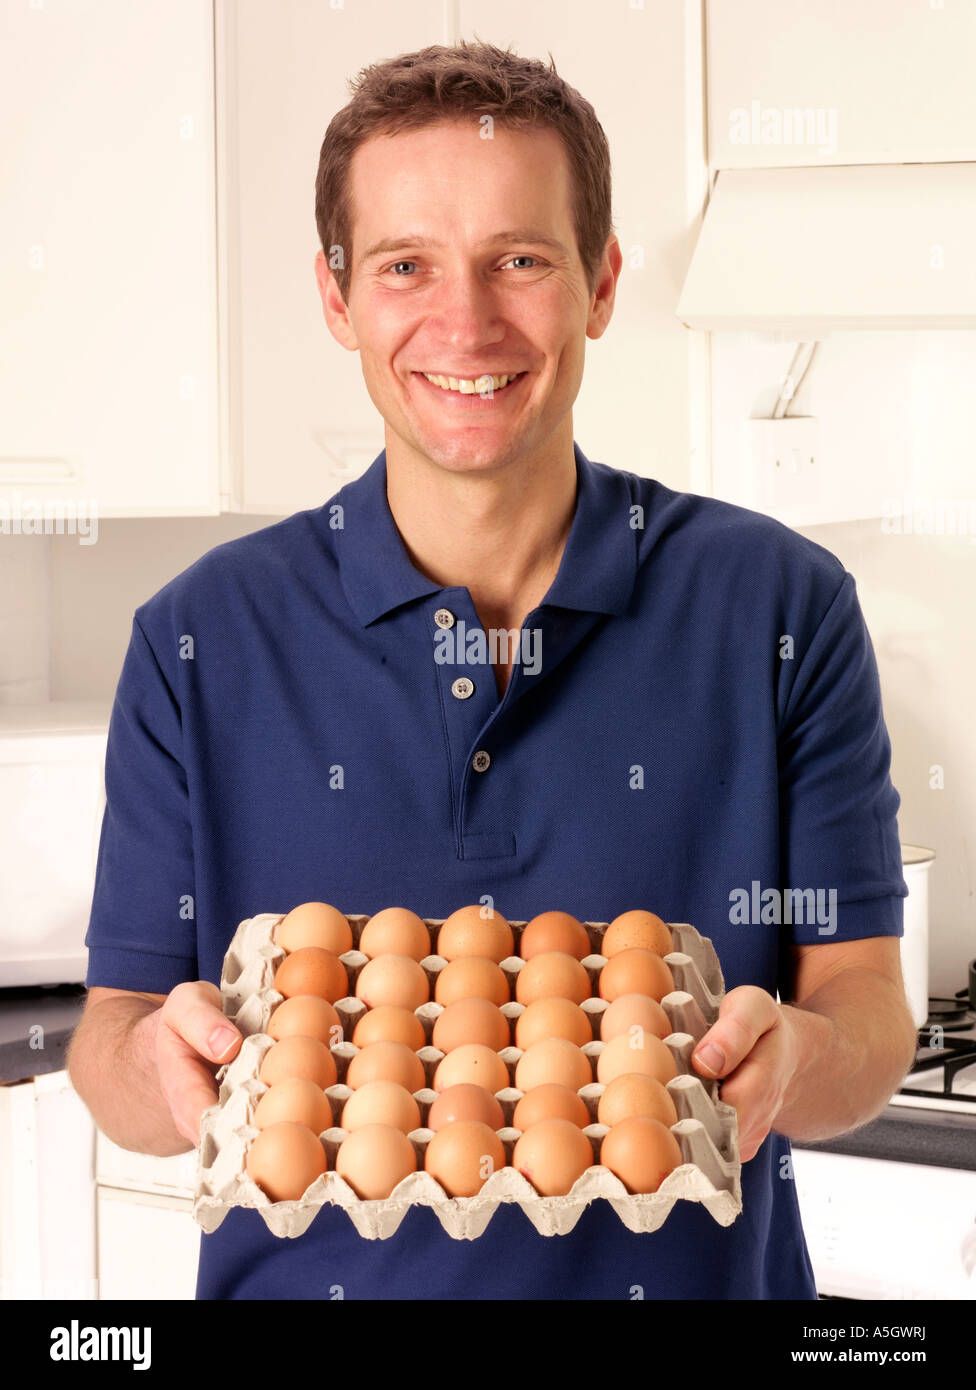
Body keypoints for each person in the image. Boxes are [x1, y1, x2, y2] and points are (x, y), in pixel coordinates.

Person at [67, 40, 916, 1300]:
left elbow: (866, 1007)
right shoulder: (203, 638)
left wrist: (798, 1056)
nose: (465, 323)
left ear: (600, 283)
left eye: (519, 259)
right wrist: (154, 1070)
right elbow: (113, 1032)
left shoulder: (778, 608)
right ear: (337, 297)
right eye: (405, 265)